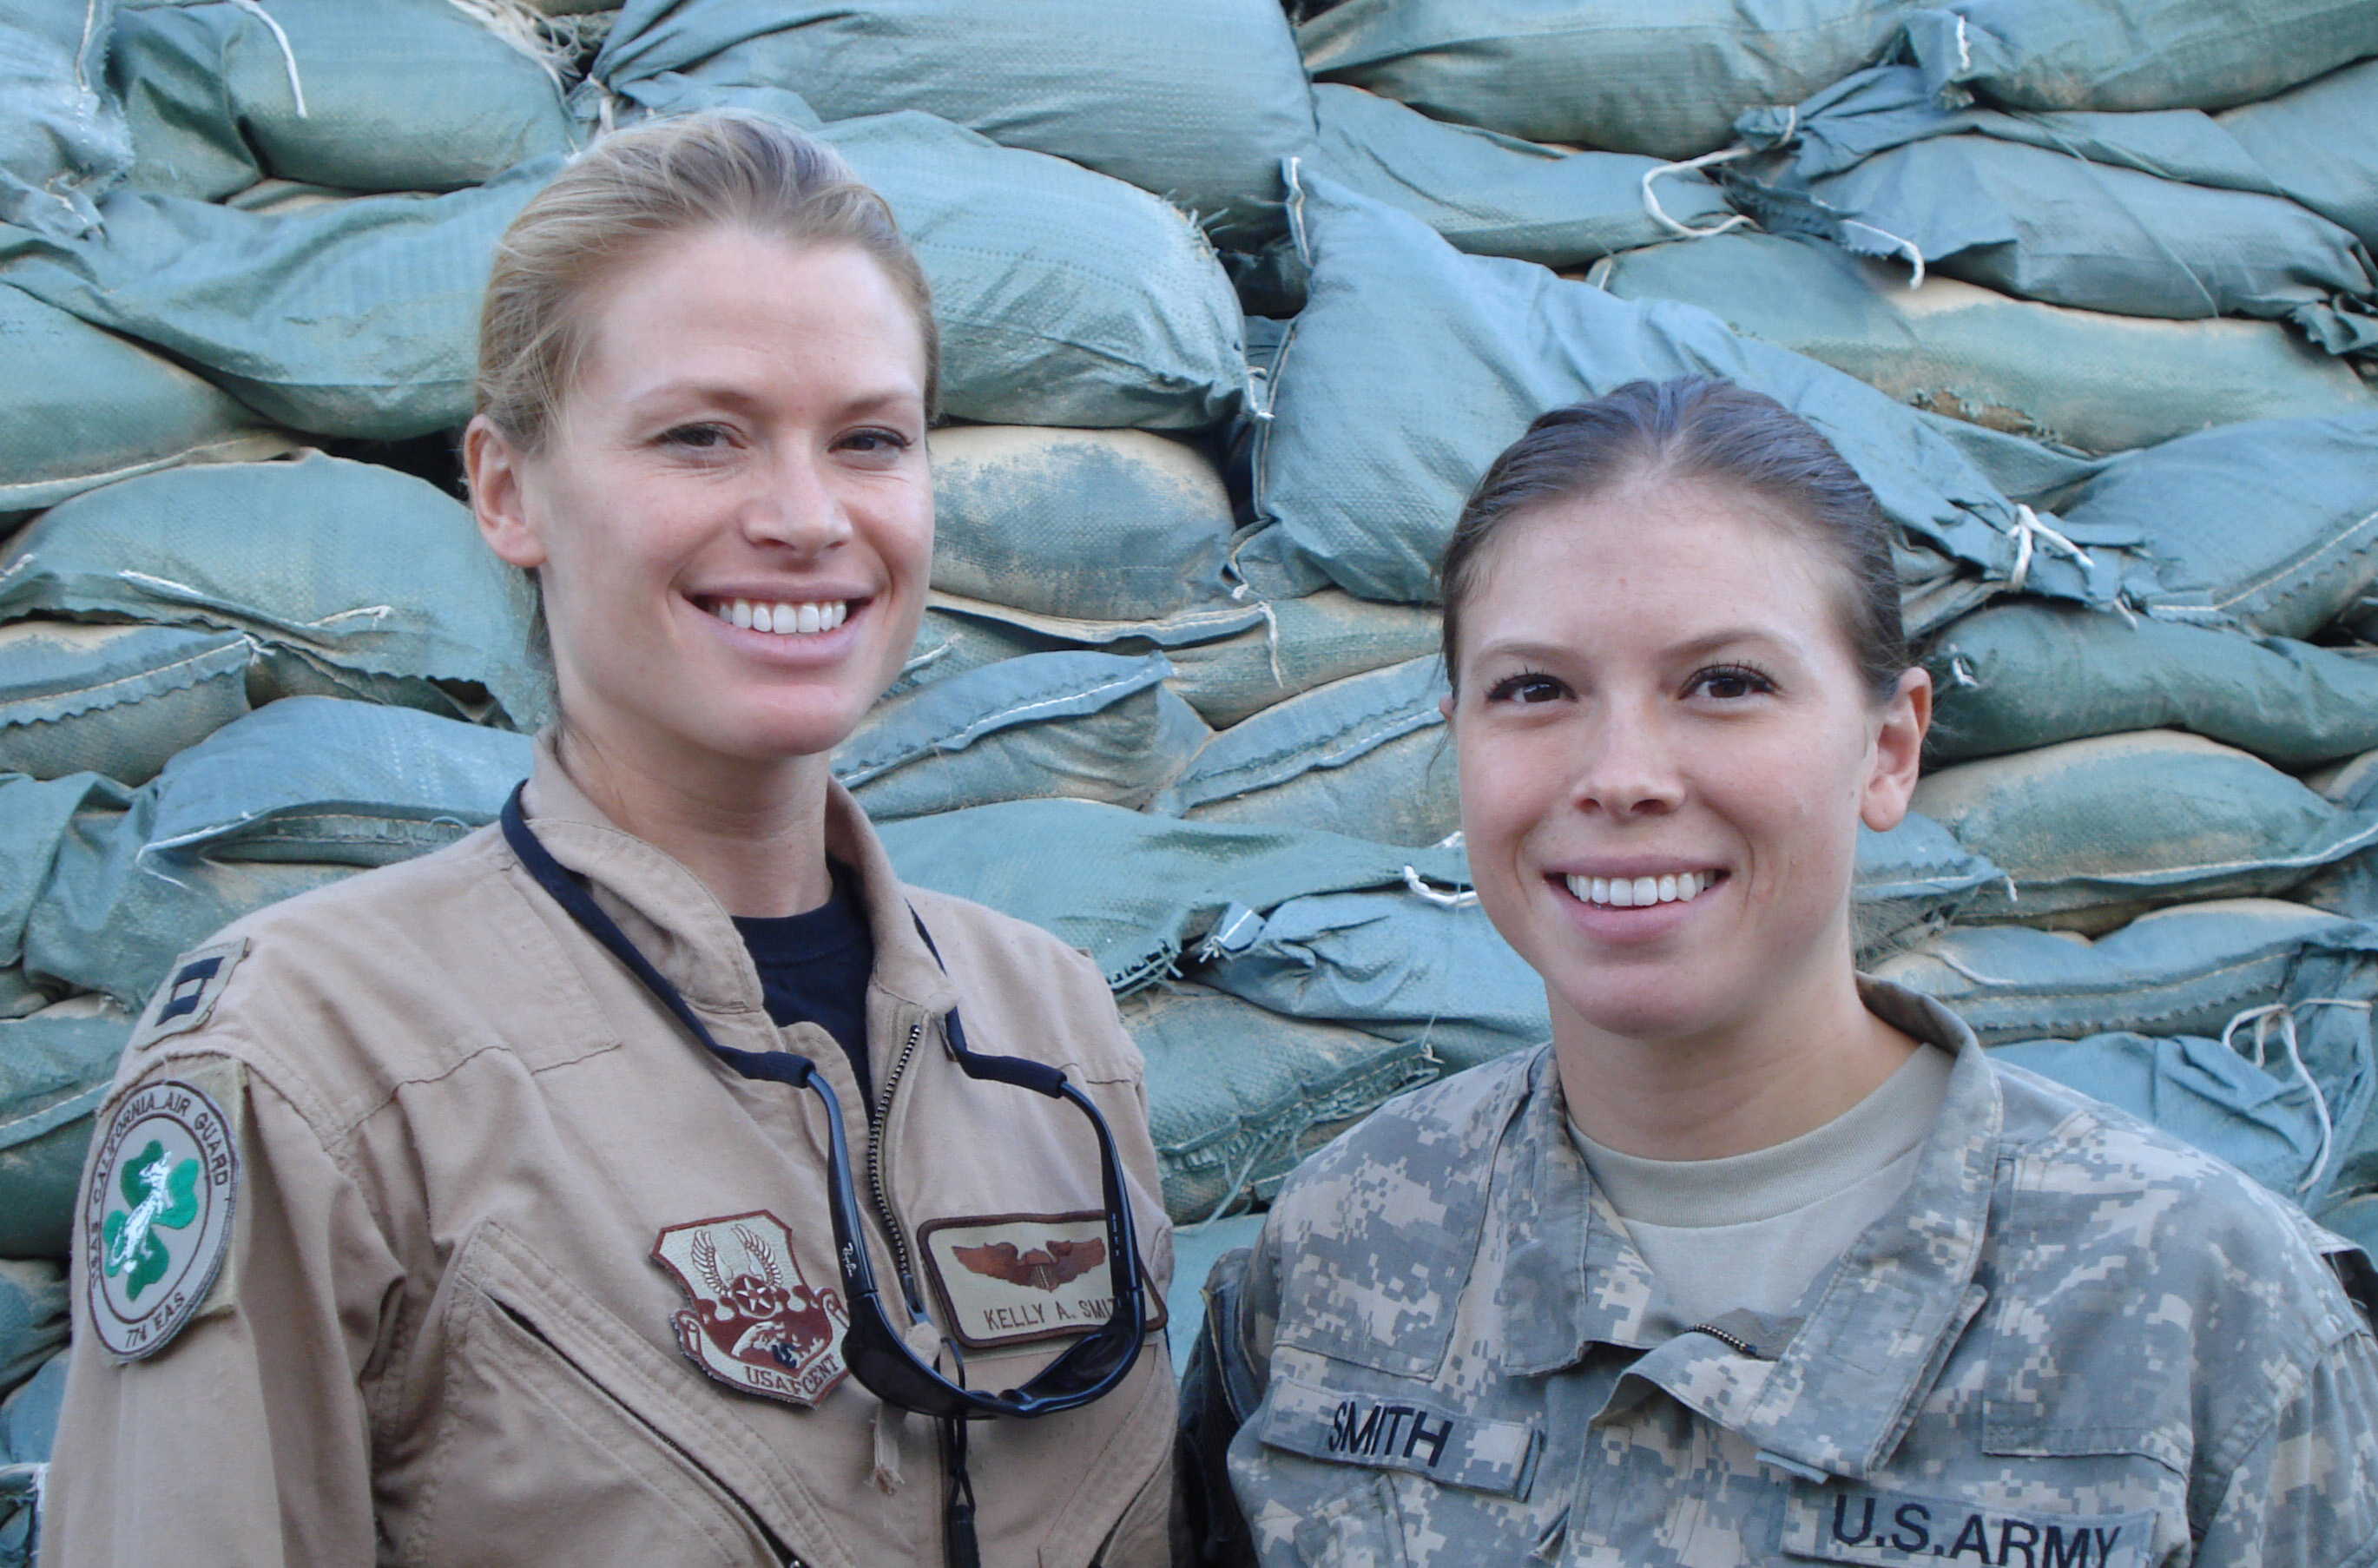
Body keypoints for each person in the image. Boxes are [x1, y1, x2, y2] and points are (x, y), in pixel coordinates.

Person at [45, 112, 1176, 1568]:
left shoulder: (1052, 1027)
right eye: (701, 435)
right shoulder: (311, 1058)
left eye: (869, 440)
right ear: (505, 489)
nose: (805, 515)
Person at [1182, 378, 2378, 1567]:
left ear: (1891, 748)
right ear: (1460, 741)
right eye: (1535, 689)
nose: (1621, 773)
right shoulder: (1345, 1241)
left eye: (1726, 683)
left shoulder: (2206, 1306)